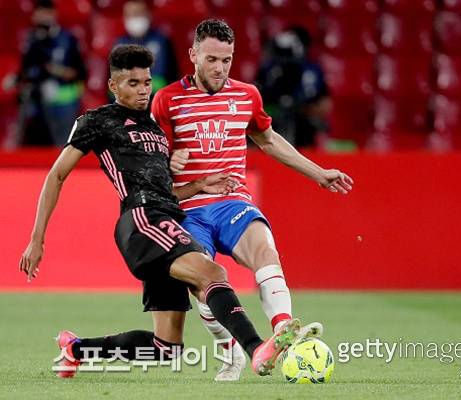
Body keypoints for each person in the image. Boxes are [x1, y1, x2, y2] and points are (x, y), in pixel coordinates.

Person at [18, 44, 309, 379]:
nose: (143, 90)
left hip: (167, 218)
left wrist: (200, 185)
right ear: (114, 86)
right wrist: (36, 239)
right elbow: (56, 175)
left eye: (146, 82)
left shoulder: (156, 129)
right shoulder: (96, 121)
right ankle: (256, 348)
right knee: (213, 274)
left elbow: (165, 188)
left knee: (165, 348)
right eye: (133, 83)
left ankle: (76, 349)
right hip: (142, 220)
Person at [151, 19, 353, 381]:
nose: (219, 68)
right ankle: (232, 353)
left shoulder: (247, 95)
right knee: (204, 286)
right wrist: (168, 159)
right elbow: (150, 160)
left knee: (265, 250)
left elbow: (270, 141)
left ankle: (282, 329)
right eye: (212, 59)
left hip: (233, 203)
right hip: (189, 210)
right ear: (193, 55)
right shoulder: (167, 100)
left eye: (226, 60)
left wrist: (319, 173)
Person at [17, 0, 87, 146]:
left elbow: (79, 72)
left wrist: (56, 70)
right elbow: (26, 67)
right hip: (39, 100)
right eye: (39, 14)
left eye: (45, 13)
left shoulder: (68, 39)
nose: (42, 18)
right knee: (38, 144)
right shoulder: (32, 38)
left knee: (63, 144)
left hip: (64, 99)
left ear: (53, 14)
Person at [255, 27, 331, 148]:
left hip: (303, 119)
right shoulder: (267, 69)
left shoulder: (312, 70)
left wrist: (302, 107)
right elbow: (256, 98)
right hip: (271, 118)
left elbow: (325, 104)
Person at [114, 0, 178, 93]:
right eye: (131, 14)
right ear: (124, 18)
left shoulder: (162, 41)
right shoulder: (119, 44)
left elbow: (166, 80)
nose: (135, 18)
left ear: (148, 15)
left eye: (139, 13)